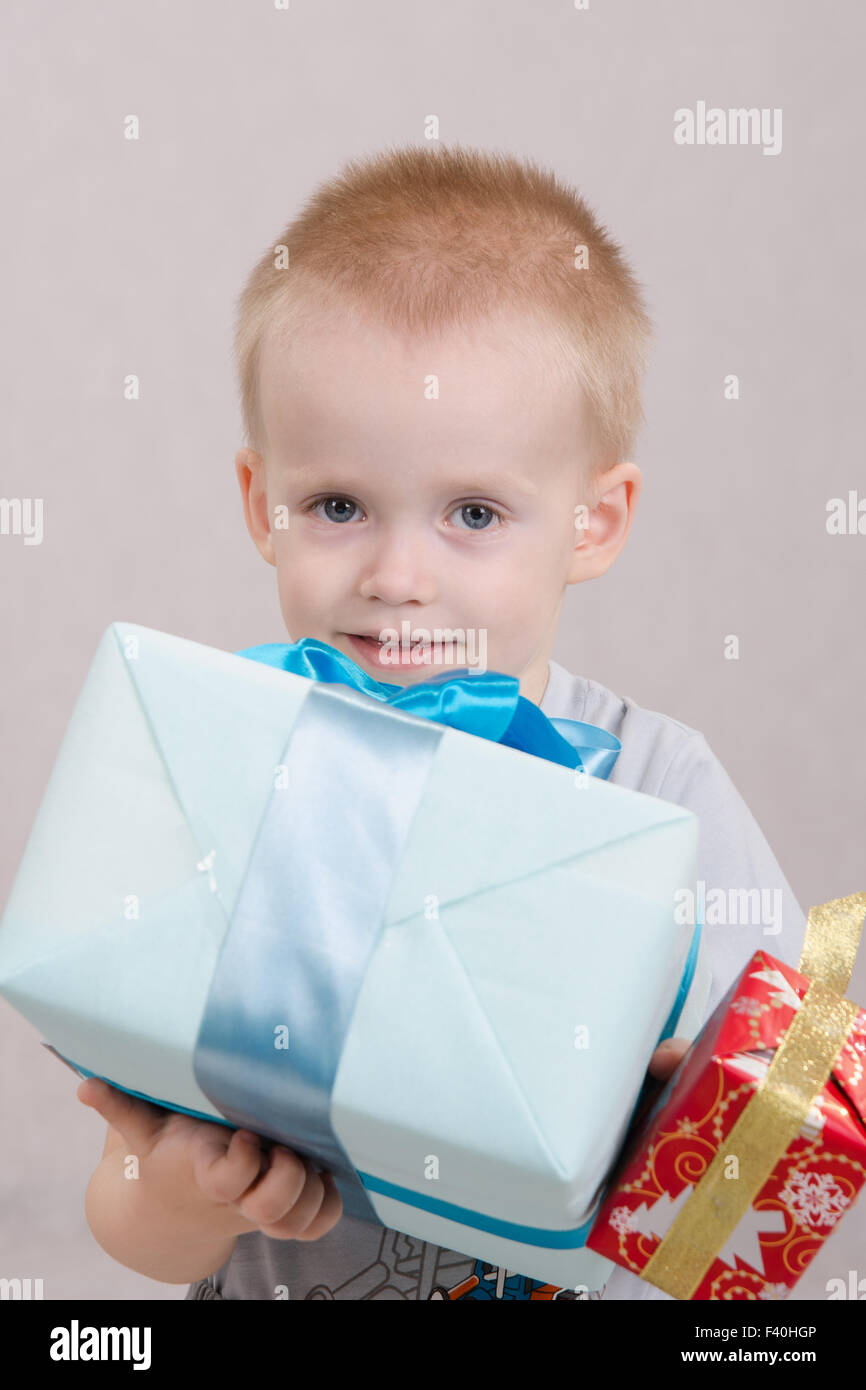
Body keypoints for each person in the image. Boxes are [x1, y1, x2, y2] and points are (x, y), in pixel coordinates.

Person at [78, 143, 806, 1300]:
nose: (398, 573)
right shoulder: (227, 763)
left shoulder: (660, 787)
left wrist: (676, 1137)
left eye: (472, 511)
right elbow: (129, 1221)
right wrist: (181, 1186)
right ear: (260, 504)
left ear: (592, 522)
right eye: (337, 505)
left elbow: (770, 1180)